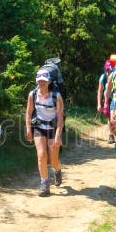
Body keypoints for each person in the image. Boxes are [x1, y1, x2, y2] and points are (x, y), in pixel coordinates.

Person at [26, 68, 65, 196]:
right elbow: (29, 112)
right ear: (37, 81)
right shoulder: (32, 94)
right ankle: (44, 183)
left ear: (48, 82)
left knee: (53, 159)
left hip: (53, 129)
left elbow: (60, 118)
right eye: (39, 81)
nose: (41, 83)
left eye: (44, 81)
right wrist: (28, 129)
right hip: (39, 128)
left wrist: (58, 135)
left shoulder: (56, 96)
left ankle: (58, 170)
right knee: (42, 155)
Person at [97, 60, 114, 143]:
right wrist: (99, 104)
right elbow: (100, 91)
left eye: (110, 70)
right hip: (107, 100)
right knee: (110, 118)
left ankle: (115, 133)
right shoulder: (103, 77)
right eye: (107, 70)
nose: (108, 72)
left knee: (115, 118)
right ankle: (111, 135)